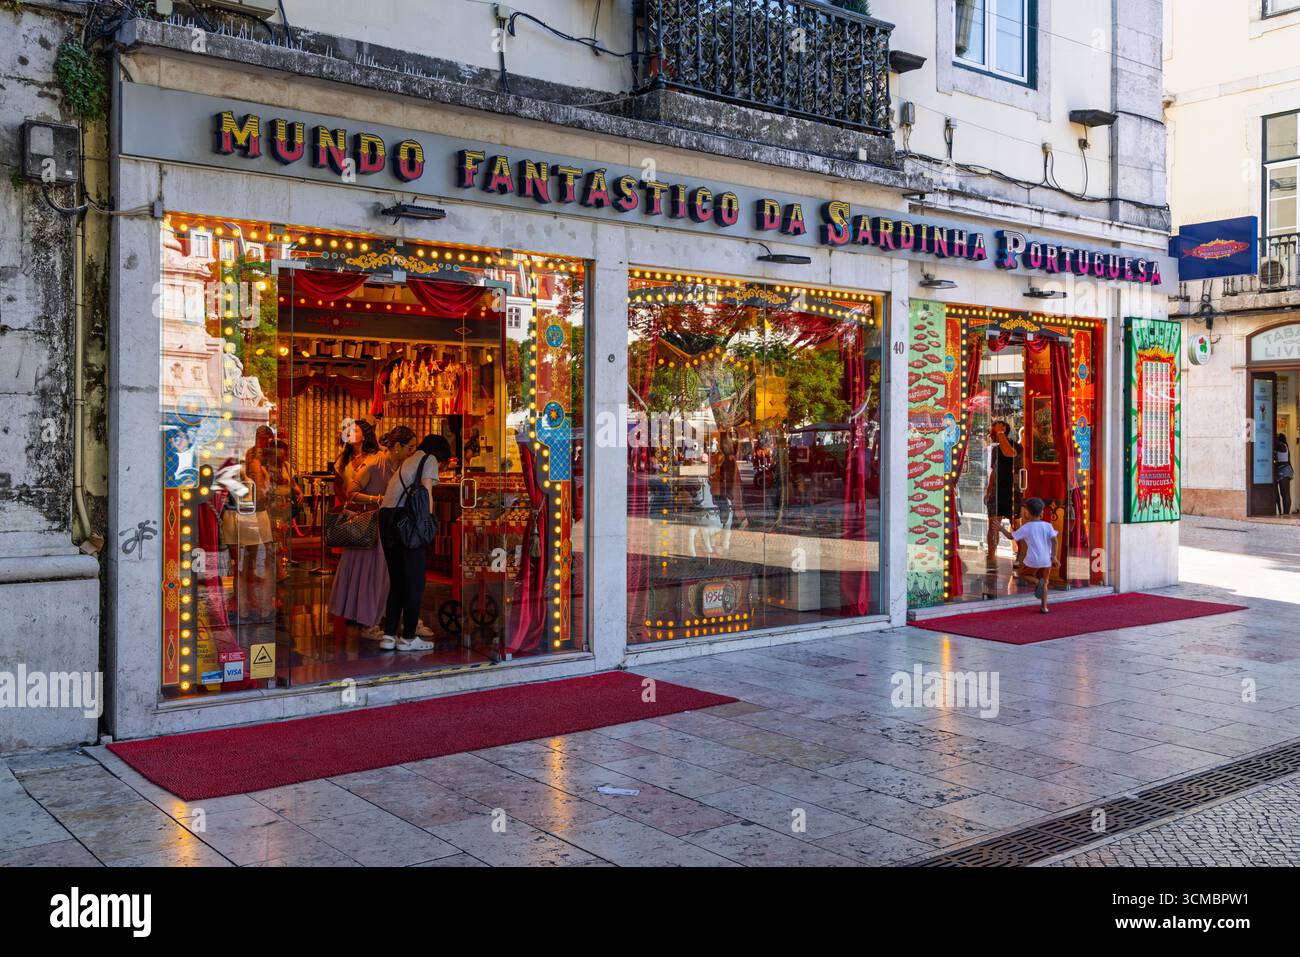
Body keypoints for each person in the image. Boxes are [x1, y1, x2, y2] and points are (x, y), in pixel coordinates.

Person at [377, 430, 450, 651]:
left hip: (386, 517)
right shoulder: (428, 460)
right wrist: (426, 524)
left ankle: (389, 635)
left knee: (398, 580)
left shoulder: (409, 460)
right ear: (439, 454)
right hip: (406, 522)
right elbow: (426, 492)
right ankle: (408, 637)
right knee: (415, 582)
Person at [327, 420, 392, 638]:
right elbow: (339, 485)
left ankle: (371, 614)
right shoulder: (342, 459)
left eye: (354, 430)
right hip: (354, 514)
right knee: (353, 565)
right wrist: (347, 505)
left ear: (364, 434)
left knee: (374, 566)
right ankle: (355, 612)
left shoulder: (377, 457)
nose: (350, 433)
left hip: (374, 514)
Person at [999, 497, 1058, 614]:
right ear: (1042, 512)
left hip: (1033, 560)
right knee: (1045, 582)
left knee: (1023, 574)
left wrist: (1001, 529)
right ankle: (1044, 607)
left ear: (1027, 513)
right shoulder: (1047, 526)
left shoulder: (1026, 528)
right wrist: (1054, 557)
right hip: (1046, 560)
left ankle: (1036, 582)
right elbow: (1055, 541)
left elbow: (1011, 536)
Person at [983, 420, 1021, 564]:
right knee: (993, 526)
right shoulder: (995, 449)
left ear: (1002, 428)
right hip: (997, 492)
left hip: (1013, 492)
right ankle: (991, 557)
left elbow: (1009, 453)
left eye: (993, 430)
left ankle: (1020, 557)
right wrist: (989, 490)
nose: (990, 434)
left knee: (1017, 527)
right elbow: (994, 472)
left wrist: (1000, 433)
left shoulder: (1016, 446)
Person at [1276, 433, 1294, 516]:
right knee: (1282, 493)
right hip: (1280, 470)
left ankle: (1286, 513)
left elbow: (1276, 442)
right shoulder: (1280, 446)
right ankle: (1283, 513)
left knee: (1285, 493)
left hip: (1285, 470)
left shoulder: (1282, 445)